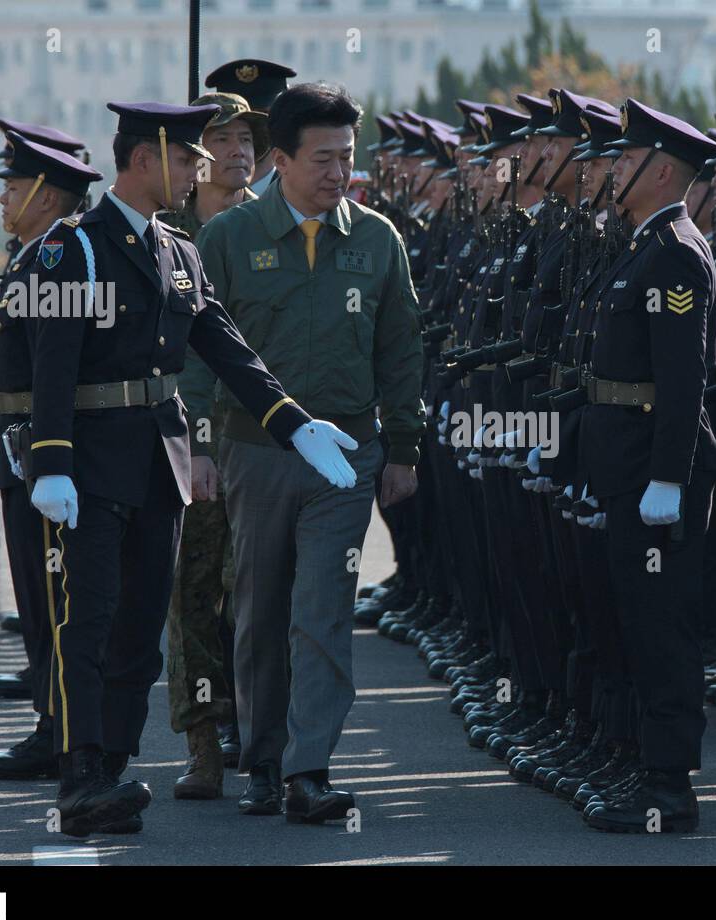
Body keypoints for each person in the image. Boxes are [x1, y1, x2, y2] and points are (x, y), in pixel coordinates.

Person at [23, 100, 360, 837]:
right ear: (143, 160)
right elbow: (53, 365)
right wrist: (51, 463)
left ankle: (111, 766)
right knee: (90, 619)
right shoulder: (72, 248)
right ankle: (78, 773)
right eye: (187, 160)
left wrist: (294, 425)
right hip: (91, 465)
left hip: (158, 466)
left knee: (142, 627)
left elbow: (228, 349)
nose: (199, 174)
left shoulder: (178, 251)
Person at [189, 83, 423, 824]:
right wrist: (197, 447)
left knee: (323, 609)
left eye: (347, 158)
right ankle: (260, 758)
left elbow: (401, 350)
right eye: (322, 158)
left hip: (347, 458)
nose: (338, 173)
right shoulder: (227, 238)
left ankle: (308, 768)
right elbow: (198, 351)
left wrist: (404, 447)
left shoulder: (378, 240)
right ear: (279, 160)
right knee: (258, 608)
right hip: (253, 451)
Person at [576, 99, 716, 833]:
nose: (609, 168)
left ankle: (670, 787)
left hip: (653, 475)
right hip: (629, 468)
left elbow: (683, 377)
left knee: (663, 628)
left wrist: (670, 473)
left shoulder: (674, 251)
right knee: (636, 618)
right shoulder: (646, 245)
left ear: (661, 169)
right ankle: (645, 764)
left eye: (623, 158)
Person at [0, 132, 104, 783]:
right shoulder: (36, 253)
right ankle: (53, 722)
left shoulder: (54, 255)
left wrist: (48, 457)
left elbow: (58, 362)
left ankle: (58, 731)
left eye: (14, 186)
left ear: (47, 195)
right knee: (38, 595)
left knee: (53, 601)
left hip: (38, 446)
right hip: (22, 438)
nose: (3, 196)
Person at [158, 90, 268, 799]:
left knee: (261, 595)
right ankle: (204, 742)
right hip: (190, 440)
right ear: (195, 157)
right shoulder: (163, 237)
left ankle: (262, 739)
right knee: (193, 595)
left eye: (247, 138)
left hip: (262, 440)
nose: (237, 150)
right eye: (221, 138)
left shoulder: (279, 229)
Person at [204, 59, 297, 195]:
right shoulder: (185, 195)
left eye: (264, 115)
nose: (255, 127)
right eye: (239, 117)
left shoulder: (301, 194)